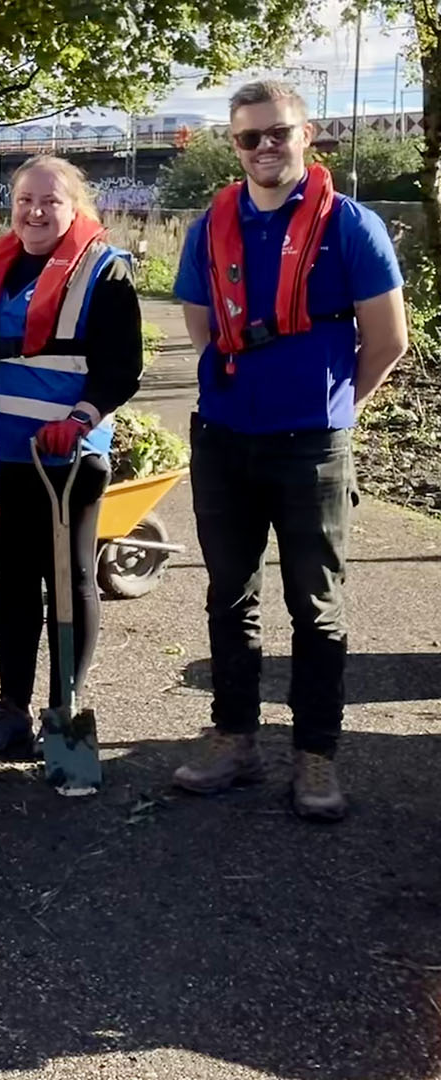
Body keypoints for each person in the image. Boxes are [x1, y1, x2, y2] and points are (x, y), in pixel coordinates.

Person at [171, 80, 406, 821]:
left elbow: (388, 340)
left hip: (312, 447)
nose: (265, 148)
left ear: (307, 136)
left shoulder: (351, 227)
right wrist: (240, 399)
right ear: (234, 146)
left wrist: (335, 413)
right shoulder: (211, 228)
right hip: (225, 440)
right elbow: (203, 326)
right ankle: (235, 736)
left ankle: (315, 754)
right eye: (250, 138)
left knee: (316, 605)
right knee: (229, 593)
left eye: (278, 133)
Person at [0, 156, 142, 759]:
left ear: (74, 206)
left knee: (71, 578)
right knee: (11, 579)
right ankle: (11, 705)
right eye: (24, 201)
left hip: (67, 455)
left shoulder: (104, 271)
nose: (35, 212)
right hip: (2, 453)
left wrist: (81, 418)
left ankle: (63, 708)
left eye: (50, 202)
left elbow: (122, 366)